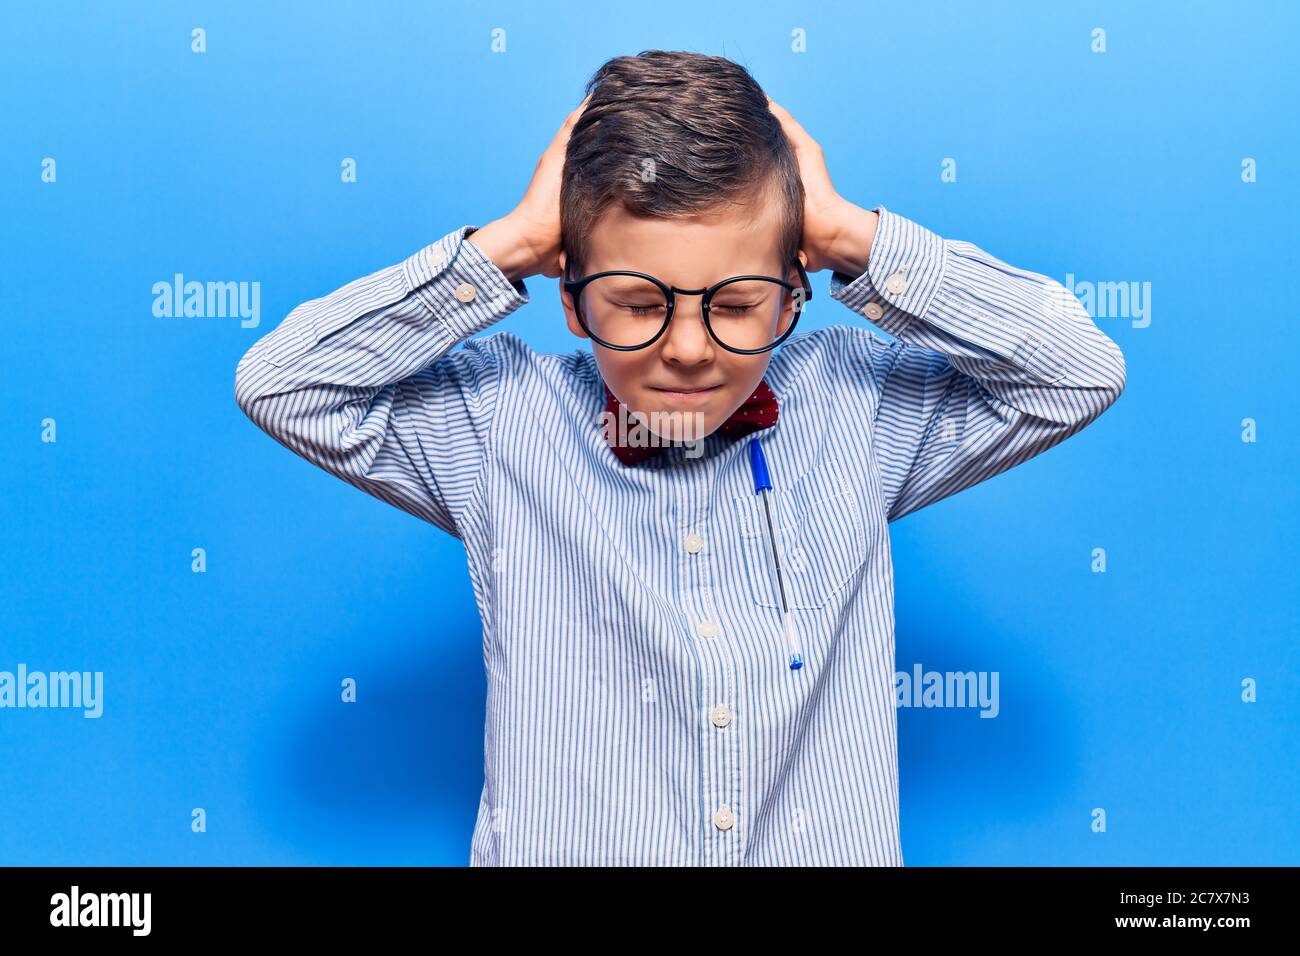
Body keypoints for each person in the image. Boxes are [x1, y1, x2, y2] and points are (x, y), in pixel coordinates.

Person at [234, 50, 1126, 866]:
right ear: (573, 301)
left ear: (793, 297)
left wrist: (854, 235)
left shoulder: (858, 408)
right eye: (635, 300)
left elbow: (1076, 370)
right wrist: (509, 243)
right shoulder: (495, 423)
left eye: (736, 304)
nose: (690, 349)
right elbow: (285, 383)